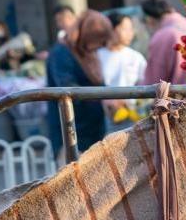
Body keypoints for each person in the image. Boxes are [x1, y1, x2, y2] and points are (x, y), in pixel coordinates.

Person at [46, 10, 114, 158]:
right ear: (86, 37)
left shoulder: (87, 52)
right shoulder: (61, 53)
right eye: (99, 41)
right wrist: (103, 98)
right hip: (70, 134)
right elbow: (69, 89)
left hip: (93, 132)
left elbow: (99, 85)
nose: (100, 46)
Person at [98, 12, 148, 132]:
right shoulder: (97, 56)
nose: (131, 33)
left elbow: (146, 84)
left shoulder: (136, 57)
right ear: (113, 30)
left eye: (131, 29)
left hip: (133, 117)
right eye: (126, 29)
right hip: (104, 118)